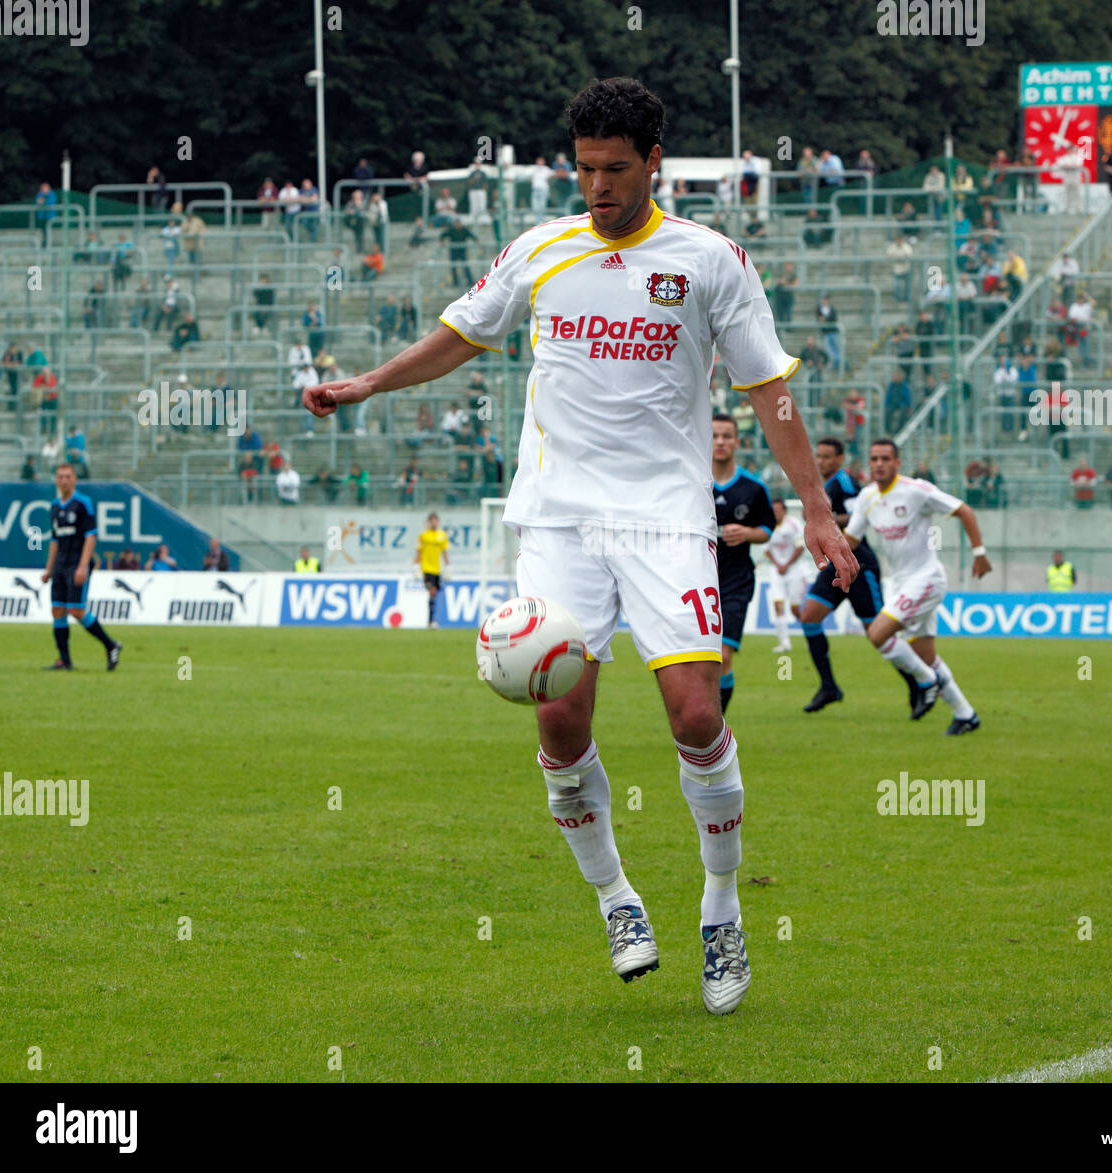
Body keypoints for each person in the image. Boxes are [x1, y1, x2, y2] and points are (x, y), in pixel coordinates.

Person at [302, 76, 853, 1016]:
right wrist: (367, 385)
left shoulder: (710, 260)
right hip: (556, 517)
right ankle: (617, 899)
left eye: (614, 170)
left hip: (664, 519)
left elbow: (771, 391)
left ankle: (721, 906)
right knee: (559, 721)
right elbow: (459, 335)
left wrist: (818, 508)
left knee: (692, 714)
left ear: (652, 165)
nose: (598, 187)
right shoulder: (541, 248)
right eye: (585, 169)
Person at [845, 438, 992, 735]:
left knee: (877, 634)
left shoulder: (916, 490)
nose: (879, 464)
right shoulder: (866, 497)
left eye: (886, 458)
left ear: (897, 463)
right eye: (874, 459)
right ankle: (966, 714)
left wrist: (979, 554)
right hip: (900, 582)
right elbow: (851, 539)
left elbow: (964, 510)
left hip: (926, 578)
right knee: (926, 655)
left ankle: (926, 681)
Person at [799, 438, 934, 715]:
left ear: (840, 459)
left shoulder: (846, 484)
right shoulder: (825, 486)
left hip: (859, 565)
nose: (821, 461)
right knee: (809, 616)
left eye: (827, 457)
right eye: (819, 456)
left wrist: (824, 520)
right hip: (835, 564)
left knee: (878, 634)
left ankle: (917, 683)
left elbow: (856, 519)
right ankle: (828, 686)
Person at [710, 414, 774, 713]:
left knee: (723, 655)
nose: (720, 442)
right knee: (697, 658)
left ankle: (715, 725)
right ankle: (700, 723)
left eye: (726, 436)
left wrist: (748, 533)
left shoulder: (754, 488)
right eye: (714, 436)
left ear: (737, 441)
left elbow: (766, 531)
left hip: (736, 580)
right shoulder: (691, 483)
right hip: (694, 579)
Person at [39, 463, 121, 670]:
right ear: (56, 480)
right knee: (57, 609)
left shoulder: (83, 503)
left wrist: (83, 566)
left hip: (77, 562)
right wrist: (49, 569)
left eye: (68, 476)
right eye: (60, 477)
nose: (64, 480)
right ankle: (64, 661)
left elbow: (91, 536)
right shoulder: (55, 506)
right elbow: (55, 539)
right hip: (60, 563)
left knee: (76, 610)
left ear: (75, 479)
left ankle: (111, 645)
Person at [764, 498, 806, 653]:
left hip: (794, 570)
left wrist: (787, 564)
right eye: (773, 510)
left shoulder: (794, 525)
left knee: (795, 609)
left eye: (778, 510)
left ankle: (810, 635)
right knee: (778, 605)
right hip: (777, 571)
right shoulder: (768, 526)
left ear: (784, 511)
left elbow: (800, 546)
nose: (775, 513)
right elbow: (766, 550)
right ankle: (784, 643)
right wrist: (778, 564)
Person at [416, 512, 450, 628]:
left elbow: (445, 552)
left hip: (437, 569)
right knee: (432, 591)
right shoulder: (423, 535)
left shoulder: (442, 535)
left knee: (435, 593)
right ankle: (431, 621)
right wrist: (416, 567)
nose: (434, 523)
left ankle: (431, 621)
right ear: (429, 522)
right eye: (432, 520)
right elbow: (419, 551)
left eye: (436, 520)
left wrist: (448, 568)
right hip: (426, 568)